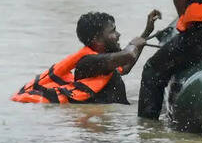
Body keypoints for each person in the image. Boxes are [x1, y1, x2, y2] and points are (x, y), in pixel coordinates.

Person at [12, 9, 161, 104]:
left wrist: (146, 33)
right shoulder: (89, 62)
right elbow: (128, 54)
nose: (118, 35)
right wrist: (134, 43)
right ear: (96, 39)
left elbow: (125, 67)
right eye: (113, 31)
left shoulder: (103, 59)